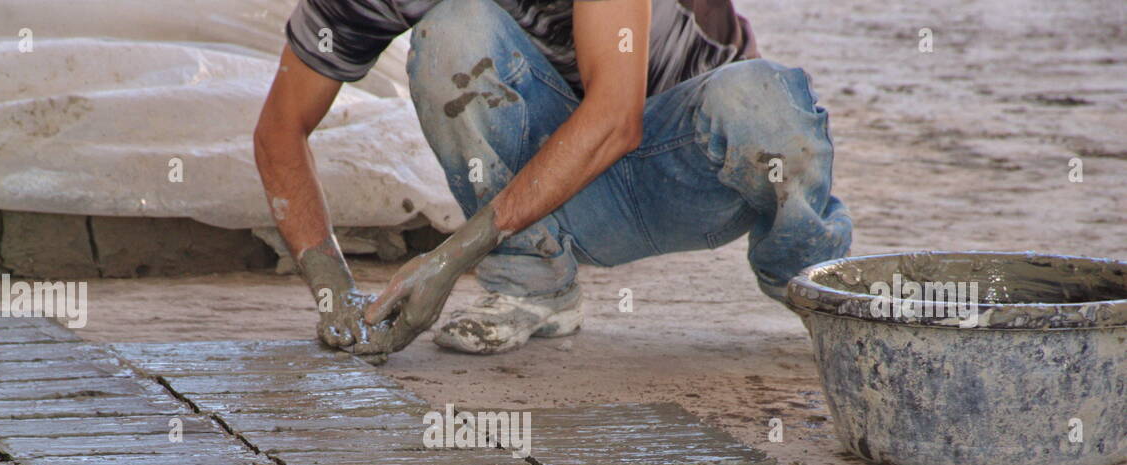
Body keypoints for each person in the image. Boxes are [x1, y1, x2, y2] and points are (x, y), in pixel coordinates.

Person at [255, 0, 851, 361]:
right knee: (452, 30)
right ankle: (530, 283)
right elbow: (280, 128)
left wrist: (448, 258)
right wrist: (332, 290)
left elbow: (617, 120)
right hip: (548, 198)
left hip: (692, 174)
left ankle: (814, 285)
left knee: (765, 99)